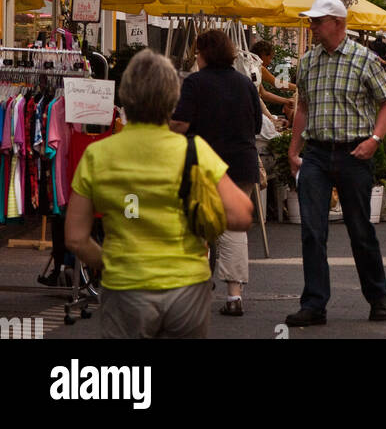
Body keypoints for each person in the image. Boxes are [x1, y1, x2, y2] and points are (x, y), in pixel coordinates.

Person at [65, 49, 253, 339]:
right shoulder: (194, 151)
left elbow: (76, 238)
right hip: (186, 287)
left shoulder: (97, 155)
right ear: (173, 99)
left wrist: (109, 261)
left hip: (125, 287)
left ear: (125, 96)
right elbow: (241, 215)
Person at [285, 0, 386, 327]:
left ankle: (377, 296)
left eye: (317, 22)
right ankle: (314, 304)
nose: (312, 27)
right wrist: (294, 150)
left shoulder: (364, 60)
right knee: (311, 230)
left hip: (353, 153)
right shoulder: (307, 62)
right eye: (312, 21)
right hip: (317, 153)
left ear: (337, 23)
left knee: (360, 229)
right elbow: (302, 107)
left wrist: (374, 140)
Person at [171, 29, 262, 317]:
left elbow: (181, 124)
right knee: (233, 229)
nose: (196, 58)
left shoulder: (195, 83)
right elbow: (258, 126)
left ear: (204, 54)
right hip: (242, 164)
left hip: (205, 164)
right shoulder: (245, 84)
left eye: (197, 53)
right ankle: (234, 296)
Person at [251, 38, 296, 122]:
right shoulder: (258, 67)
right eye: (270, 58)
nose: (270, 61)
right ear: (263, 54)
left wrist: (286, 101)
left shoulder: (250, 66)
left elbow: (263, 94)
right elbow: (277, 83)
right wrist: (297, 87)